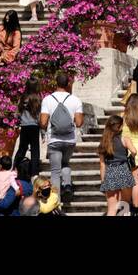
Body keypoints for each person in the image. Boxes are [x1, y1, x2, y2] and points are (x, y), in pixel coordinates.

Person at [40, 70, 84, 208]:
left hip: (54, 140)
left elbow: (43, 122)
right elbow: (79, 123)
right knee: (65, 163)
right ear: (68, 84)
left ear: (56, 83)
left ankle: (56, 202)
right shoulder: (75, 100)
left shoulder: (47, 99)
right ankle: (67, 184)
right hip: (70, 140)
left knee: (55, 171)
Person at [100, 113, 136, 216]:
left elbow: (102, 165)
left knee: (111, 208)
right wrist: (130, 157)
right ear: (119, 126)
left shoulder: (103, 142)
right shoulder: (124, 139)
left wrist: (103, 181)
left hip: (110, 172)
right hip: (123, 169)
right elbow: (134, 151)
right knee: (124, 204)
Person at [121, 93, 138, 213]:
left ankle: (124, 210)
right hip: (137, 151)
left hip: (124, 149)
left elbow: (120, 134)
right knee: (136, 182)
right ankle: (136, 210)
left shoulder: (123, 116)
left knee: (125, 181)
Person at [14, 77, 42, 178]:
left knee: (22, 148)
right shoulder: (38, 99)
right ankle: (35, 173)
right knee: (35, 150)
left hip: (24, 126)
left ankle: (15, 167)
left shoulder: (22, 98)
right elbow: (40, 114)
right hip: (35, 126)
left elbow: (17, 113)